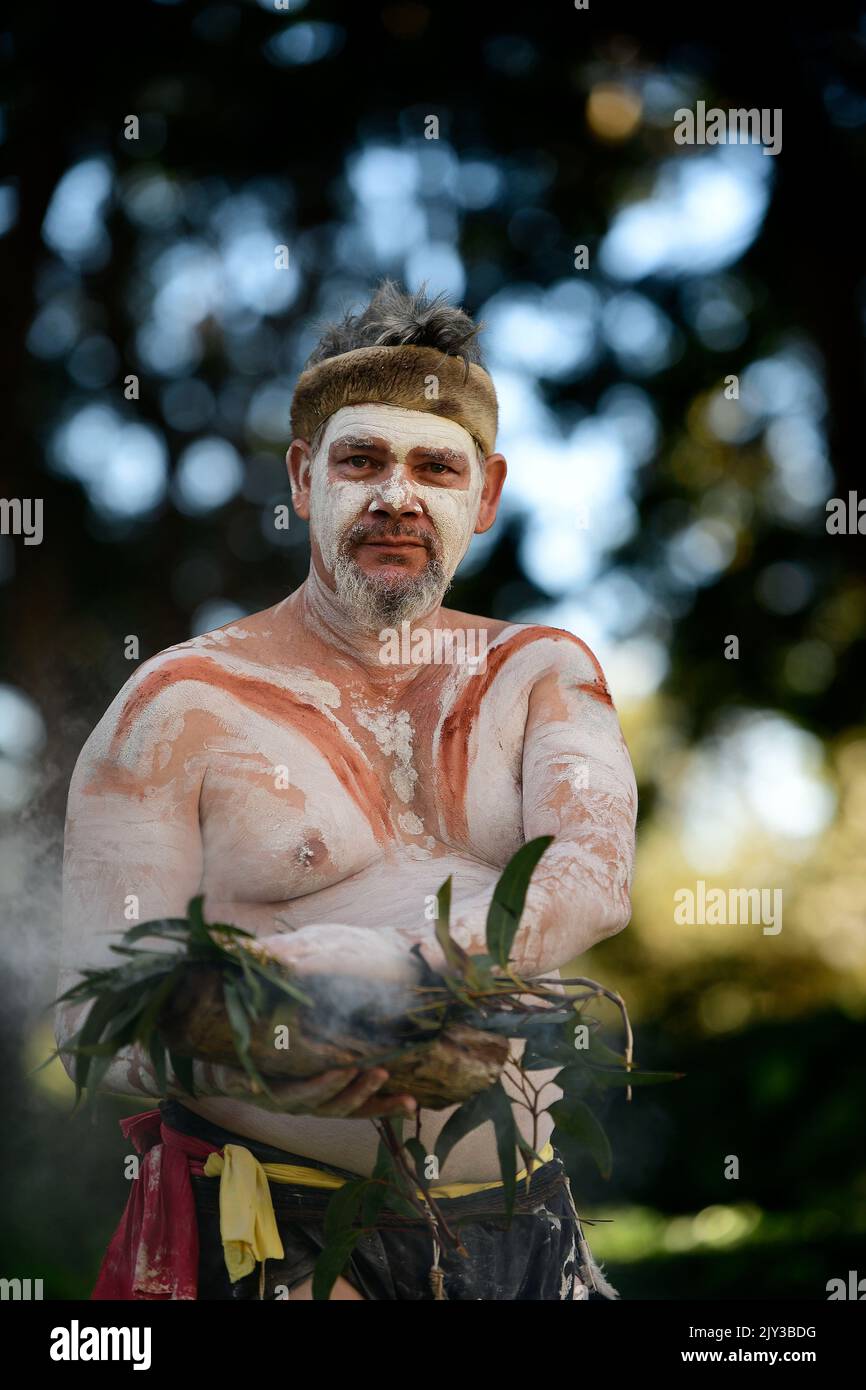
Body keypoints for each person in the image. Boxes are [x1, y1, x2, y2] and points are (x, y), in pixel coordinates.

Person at [56, 280, 638, 1300]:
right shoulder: (176, 705)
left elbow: (592, 870)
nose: (395, 496)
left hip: (528, 1228)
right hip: (283, 1236)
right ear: (301, 477)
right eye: (360, 460)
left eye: (434, 467)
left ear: (484, 495)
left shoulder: (544, 673)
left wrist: (410, 968)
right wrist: (265, 1053)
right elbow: (90, 1022)